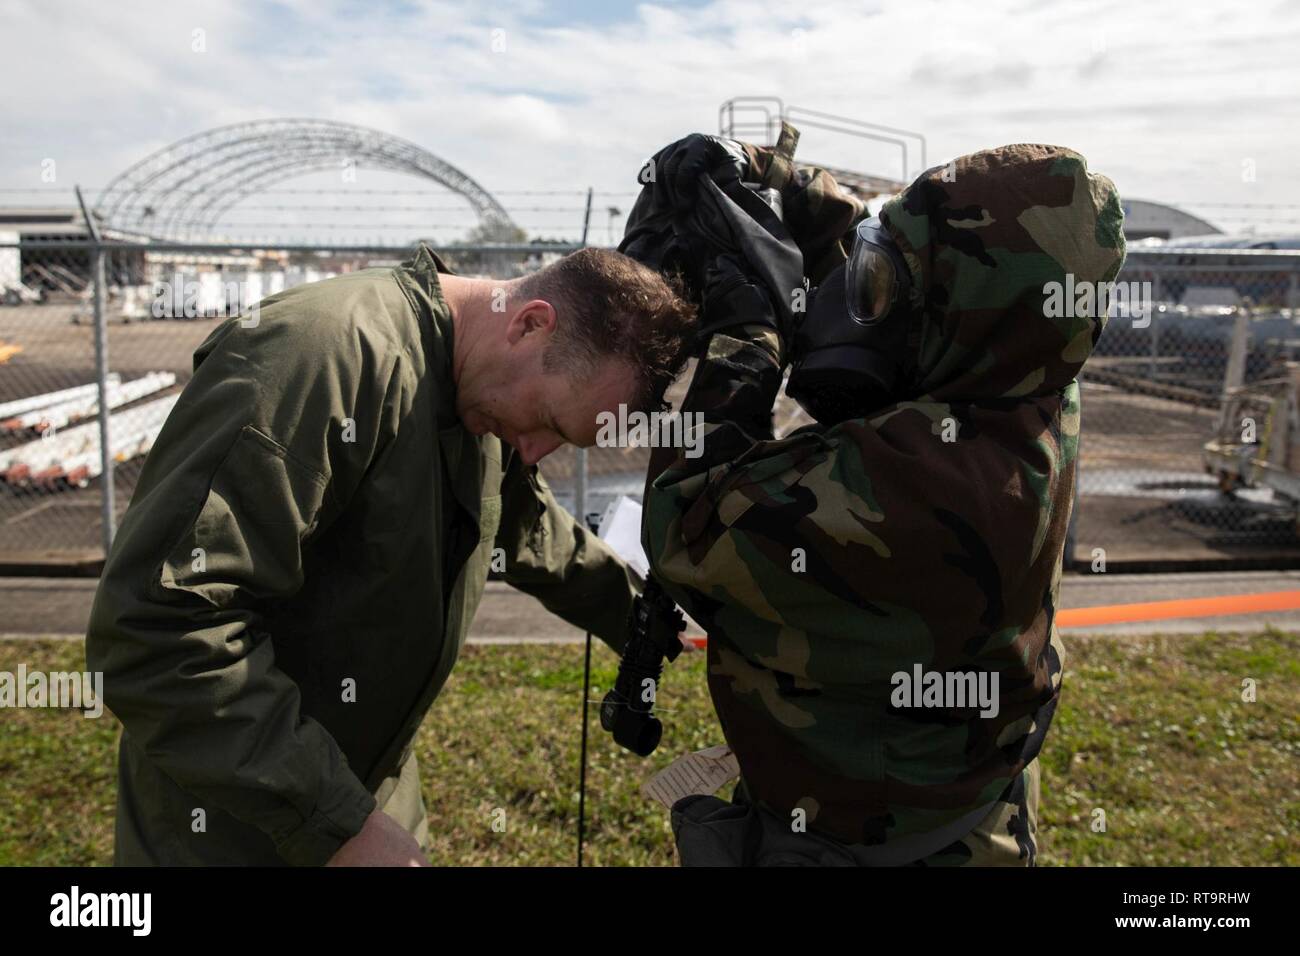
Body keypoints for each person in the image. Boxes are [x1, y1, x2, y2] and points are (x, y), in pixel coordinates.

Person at [85, 243, 695, 866]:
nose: (534, 454)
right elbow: (157, 630)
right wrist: (339, 825)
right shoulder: (318, 357)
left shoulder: (483, 389)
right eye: (548, 421)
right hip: (234, 817)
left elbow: (527, 529)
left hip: (363, 788)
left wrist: (650, 616)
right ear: (530, 322)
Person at [624, 130, 1126, 865]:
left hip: (869, 840)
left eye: (890, 287)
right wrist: (769, 174)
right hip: (964, 792)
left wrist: (748, 337)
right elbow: (902, 248)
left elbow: (685, 523)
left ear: (955, 308)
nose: (863, 298)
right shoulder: (1030, 368)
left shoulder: (931, 486)